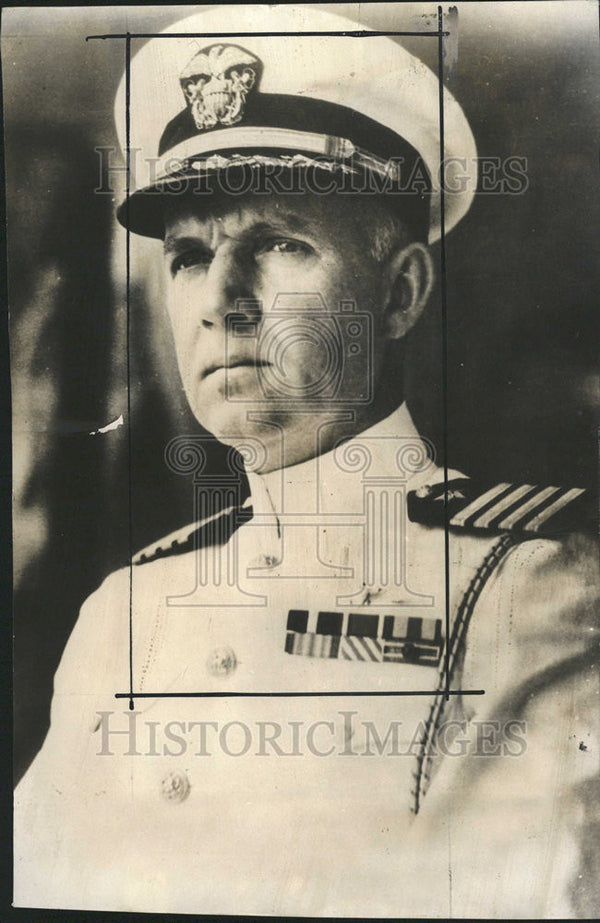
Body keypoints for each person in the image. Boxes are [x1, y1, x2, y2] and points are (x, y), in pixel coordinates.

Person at [14, 5, 599, 917]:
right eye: (189, 255)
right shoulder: (126, 611)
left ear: (399, 293)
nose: (222, 301)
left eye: (280, 244)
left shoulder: (533, 593)